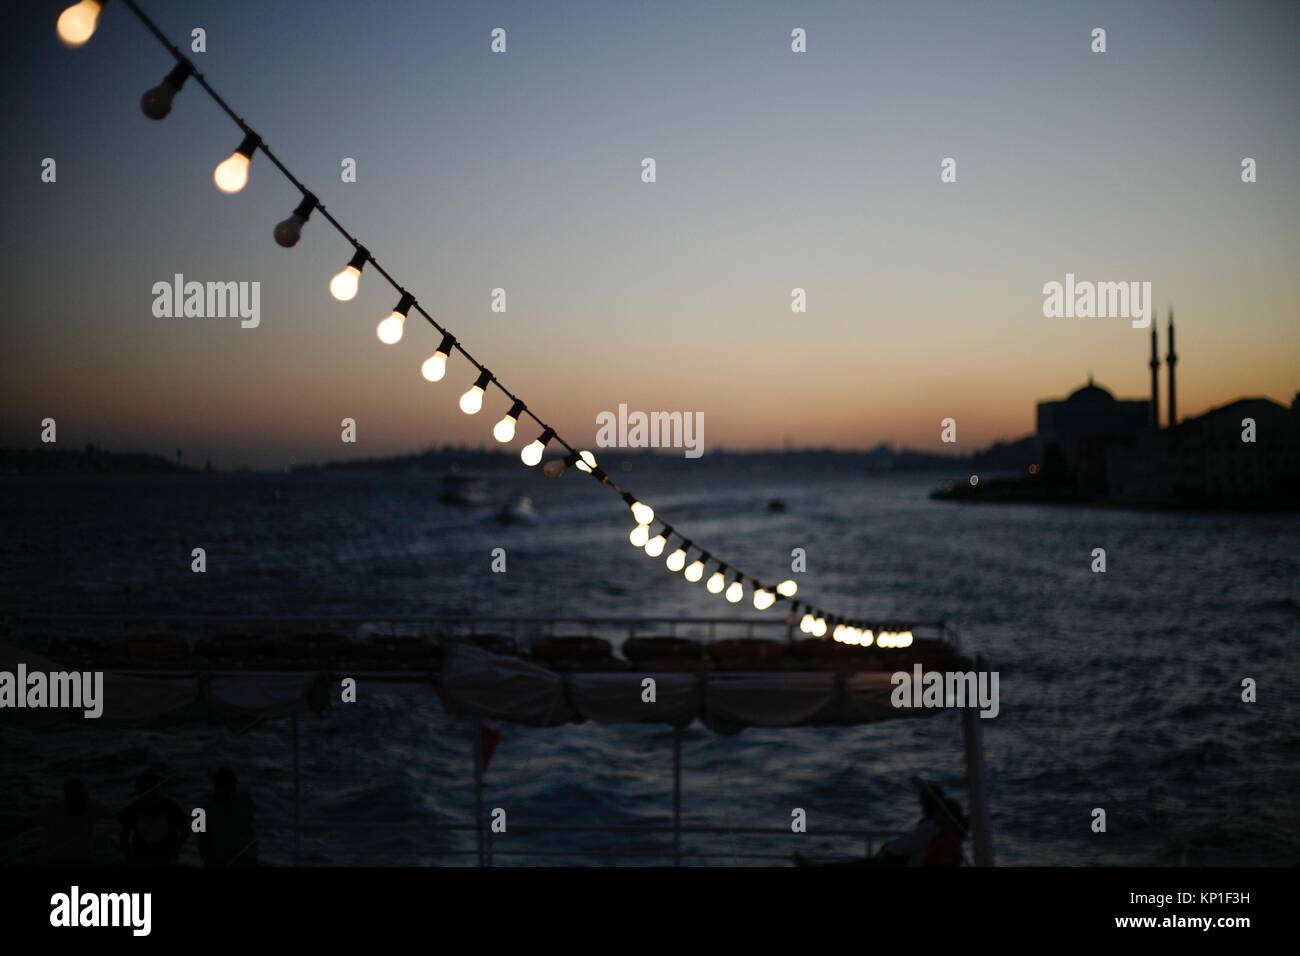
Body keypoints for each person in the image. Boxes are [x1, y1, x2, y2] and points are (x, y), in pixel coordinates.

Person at [116, 772, 188, 865]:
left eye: (155, 790)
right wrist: (128, 855)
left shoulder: (171, 807)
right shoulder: (133, 809)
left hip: (165, 856)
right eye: (147, 790)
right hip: (141, 856)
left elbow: (185, 831)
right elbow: (124, 835)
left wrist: (175, 852)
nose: (153, 794)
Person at [197, 768, 259, 867]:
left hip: (231, 859)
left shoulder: (205, 810)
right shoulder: (245, 802)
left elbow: (202, 845)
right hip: (236, 859)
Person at [43, 779, 109, 865]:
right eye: (81, 795)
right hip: (56, 858)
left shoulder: (92, 806)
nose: (86, 797)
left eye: (85, 794)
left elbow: (115, 815)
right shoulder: (53, 810)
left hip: (81, 858)